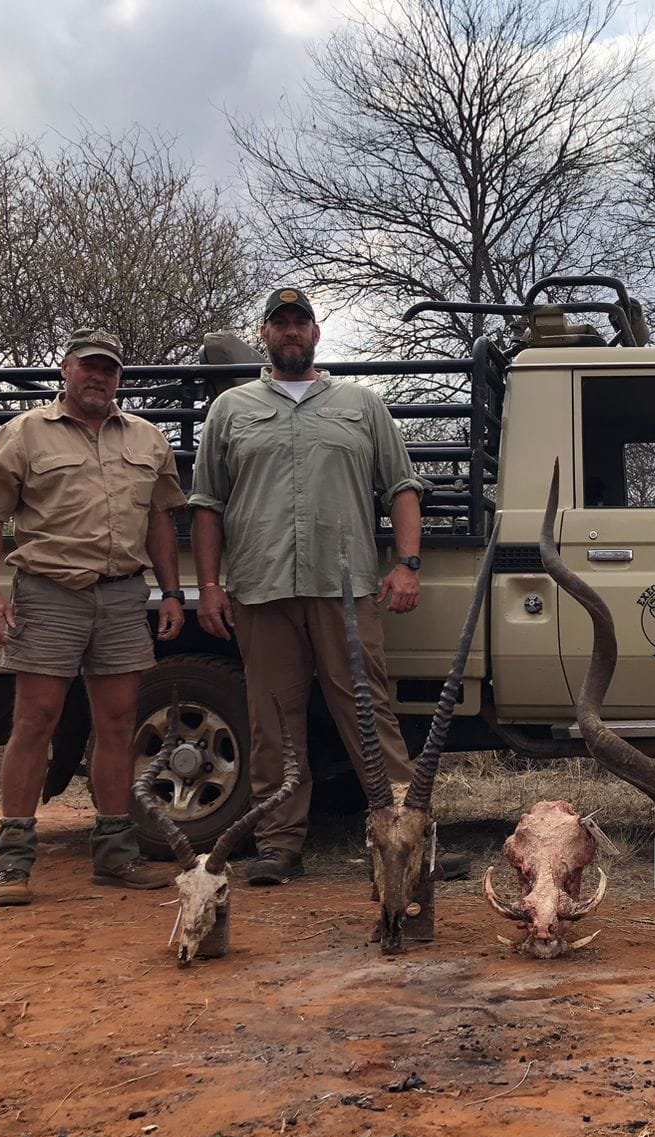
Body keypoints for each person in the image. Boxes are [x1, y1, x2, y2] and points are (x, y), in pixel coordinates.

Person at [190, 286, 466, 885]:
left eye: (300, 322)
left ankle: (410, 841)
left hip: (345, 590)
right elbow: (207, 504)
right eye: (280, 323)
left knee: (368, 714)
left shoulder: (361, 404)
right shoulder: (231, 409)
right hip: (260, 587)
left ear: (316, 334)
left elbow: (402, 487)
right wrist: (209, 585)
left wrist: (407, 564)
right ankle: (278, 845)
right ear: (265, 334)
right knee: (273, 723)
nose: (291, 331)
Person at [0, 329, 189, 906]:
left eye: (109, 370)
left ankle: (114, 854)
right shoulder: (27, 431)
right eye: (88, 366)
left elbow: (160, 520)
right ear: (66, 369)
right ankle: (12, 861)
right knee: (36, 719)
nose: (98, 378)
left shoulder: (147, 437)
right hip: (49, 592)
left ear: (118, 379)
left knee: (118, 723)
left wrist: (172, 592)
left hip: (122, 596)